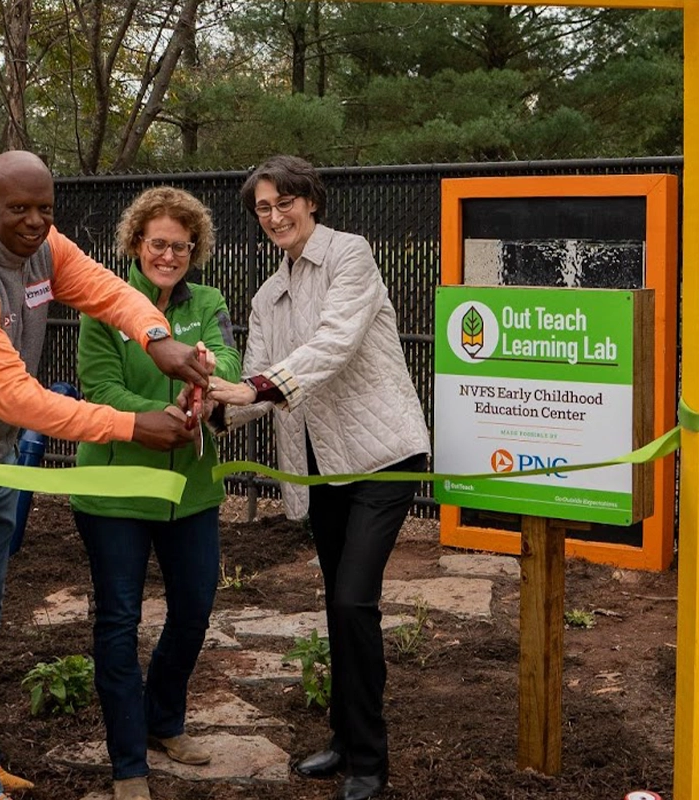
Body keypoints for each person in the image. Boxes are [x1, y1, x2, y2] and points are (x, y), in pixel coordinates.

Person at [0, 150, 207, 800]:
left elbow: (107, 290)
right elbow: (16, 398)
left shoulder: (42, 249)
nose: (34, 223)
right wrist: (130, 424)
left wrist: (155, 335)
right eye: (19, 210)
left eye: (44, 210)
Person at [207, 155, 430, 800]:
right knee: (339, 604)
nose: (275, 217)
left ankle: (370, 761)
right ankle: (344, 738)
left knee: (356, 599)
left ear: (311, 201)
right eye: (263, 209)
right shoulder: (267, 295)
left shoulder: (350, 256)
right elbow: (252, 389)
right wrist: (208, 406)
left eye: (285, 203)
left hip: (383, 454)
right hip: (323, 464)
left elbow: (333, 344)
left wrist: (253, 384)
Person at [69, 187, 241, 800]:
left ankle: (163, 722)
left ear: (195, 251)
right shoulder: (104, 306)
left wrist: (206, 382)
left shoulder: (210, 300)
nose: (169, 254)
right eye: (158, 243)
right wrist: (159, 414)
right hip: (114, 490)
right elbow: (101, 389)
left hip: (190, 491)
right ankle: (127, 764)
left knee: (194, 608)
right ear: (136, 243)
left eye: (181, 245)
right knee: (118, 622)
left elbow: (226, 357)